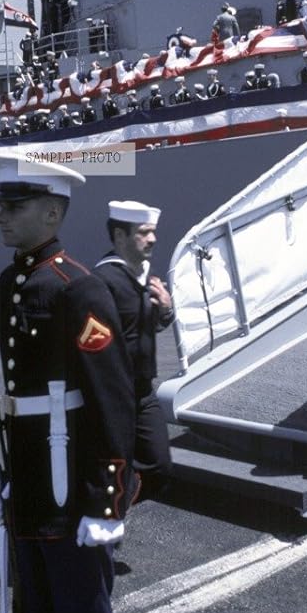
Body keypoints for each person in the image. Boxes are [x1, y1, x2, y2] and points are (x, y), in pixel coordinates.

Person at [0, 156, 136, 613]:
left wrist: (106, 503)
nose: (1, 216)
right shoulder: (15, 283)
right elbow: (21, 397)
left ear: (52, 212)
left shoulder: (78, 289)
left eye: (15, 206)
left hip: (72, 484)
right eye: (1, 206)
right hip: (31, 483)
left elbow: (111, 401)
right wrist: (9, 476)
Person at [95, 200, 174, 496]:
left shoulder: (145, 277)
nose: (152, 238)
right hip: (113, 395)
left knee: (160, 464)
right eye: (143, 232)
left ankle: (119, 504)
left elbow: (145, 328)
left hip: (143, 392)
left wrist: (165, 309)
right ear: (119, 236)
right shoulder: (103, 280)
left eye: (153, 231)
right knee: (111, 468)